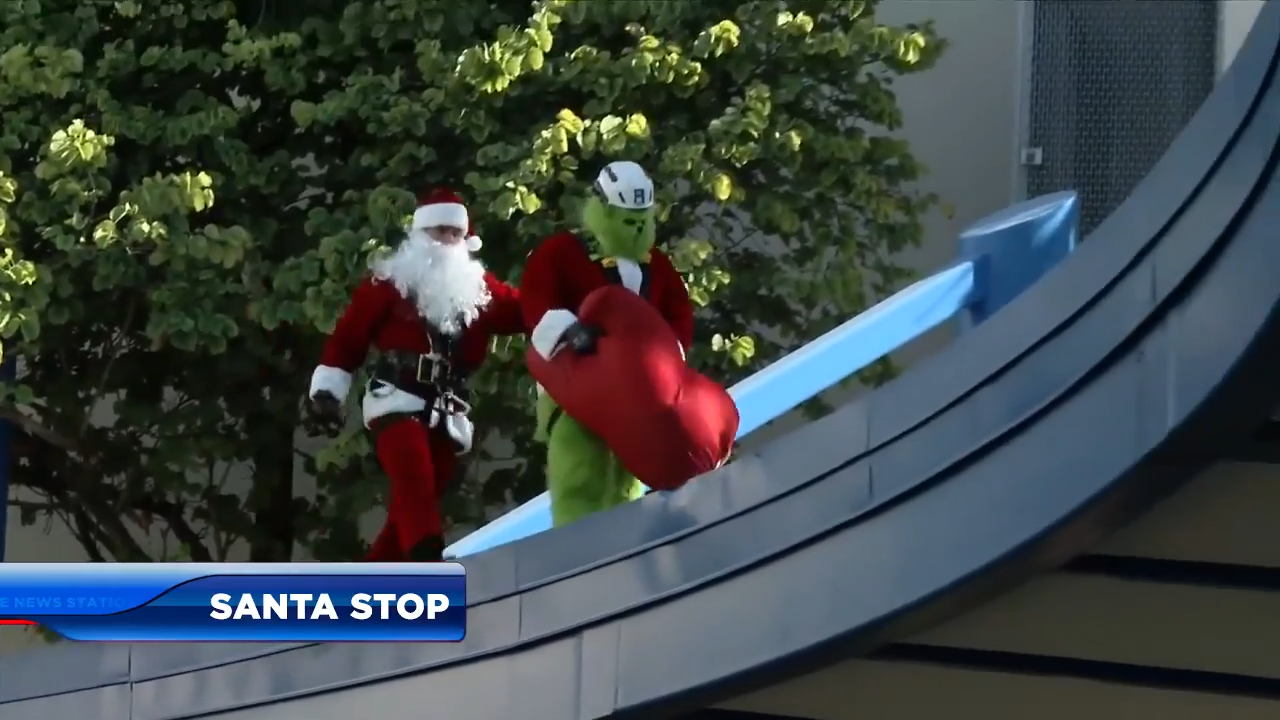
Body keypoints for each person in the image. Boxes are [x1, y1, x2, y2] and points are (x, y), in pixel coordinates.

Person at [308, 189, 524, 561]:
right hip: (396, 397)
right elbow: (349, 337)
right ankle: (428, 563)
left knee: (408, 513)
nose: (447, 241)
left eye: (455, 233)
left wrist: (570, 302)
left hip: (447, 409)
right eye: (439, 231)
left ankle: (367, 591)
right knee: (414, 481)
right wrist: (328, 392)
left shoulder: (479, 288)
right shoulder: (389, 283)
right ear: (421, 235)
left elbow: (525, 310)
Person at [521, 160, 738, 527]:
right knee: (579, 468)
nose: (636, 228)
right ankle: (575, 545)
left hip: (639, 393)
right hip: (578, 381)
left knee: (627, 478)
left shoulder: (656, 265)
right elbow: (536, 300)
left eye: (642, 219)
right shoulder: (563, 251)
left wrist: (668, 359)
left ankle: (624, 541)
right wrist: (568, 331)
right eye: (626, 218)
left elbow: (677, 312)